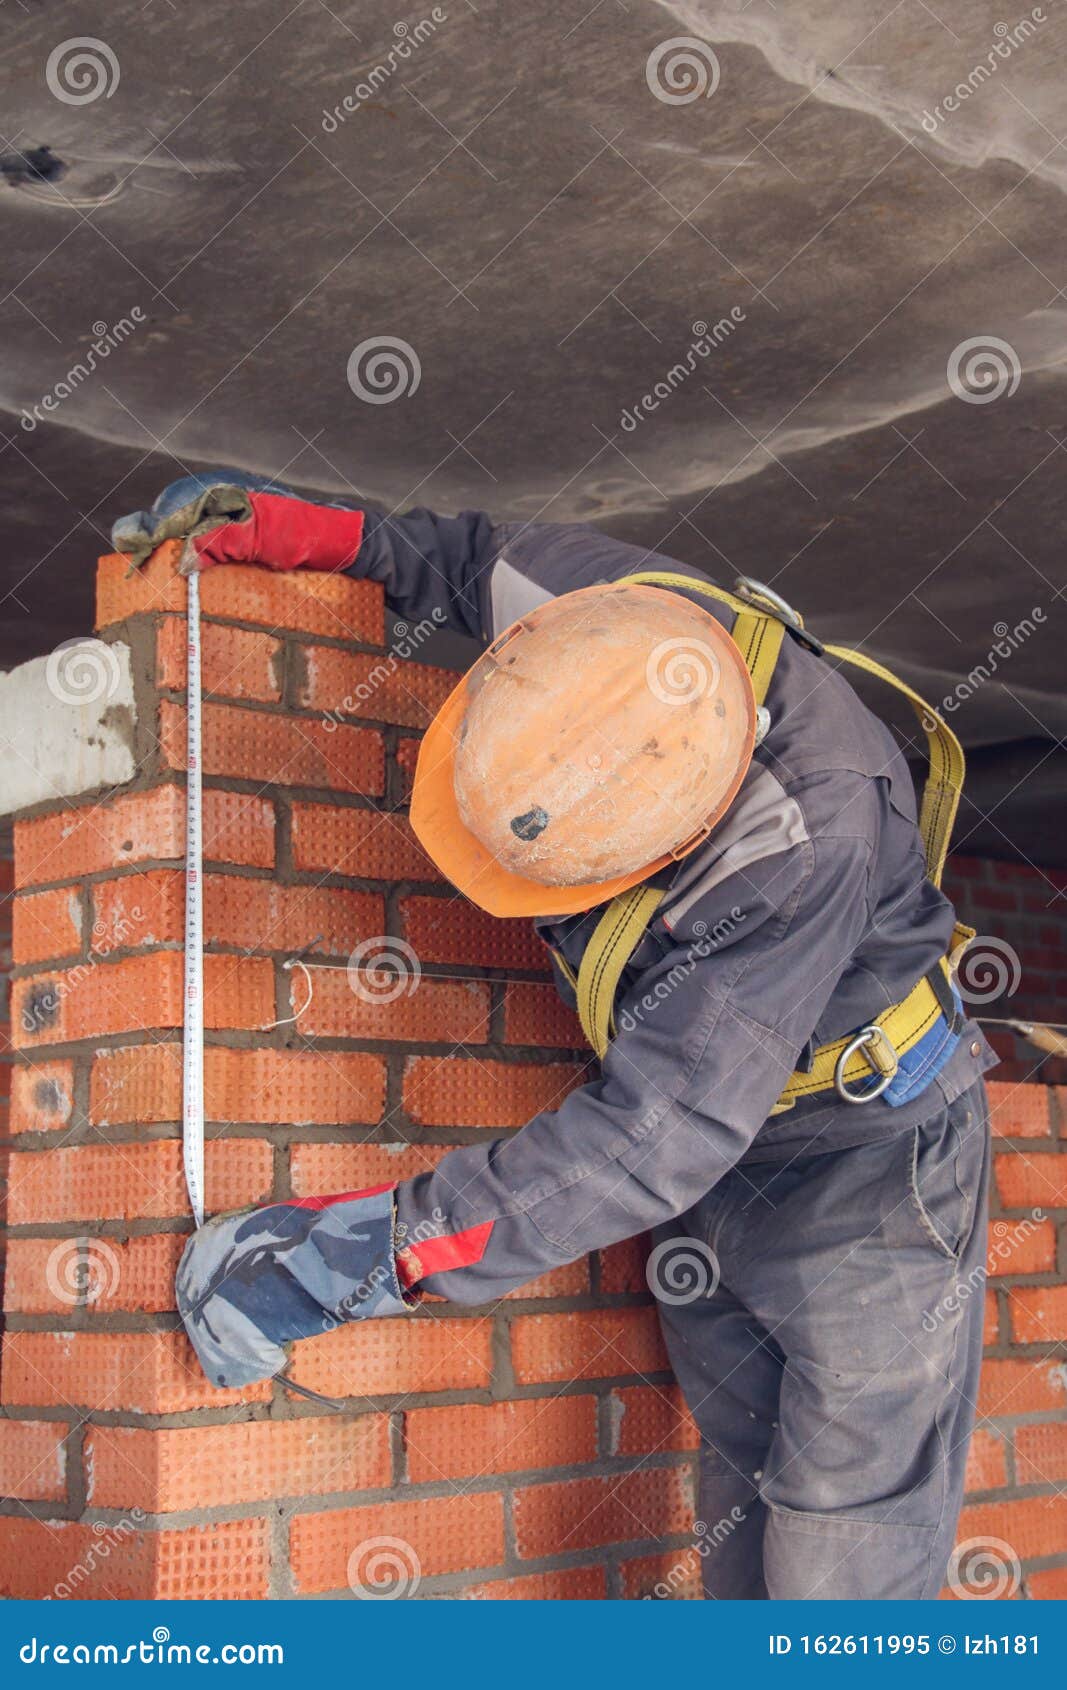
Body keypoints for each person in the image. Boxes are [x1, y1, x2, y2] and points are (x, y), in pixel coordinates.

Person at [114, 474, 997, 1600]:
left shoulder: (796, 843)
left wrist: (365, 1254)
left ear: (677, 842)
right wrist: (316, 534)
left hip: (868, 1168)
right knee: (739, 1515)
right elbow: (463, 551)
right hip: (729, 1162)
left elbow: (653, 1138)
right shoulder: (601, 613)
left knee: (843, 1558)